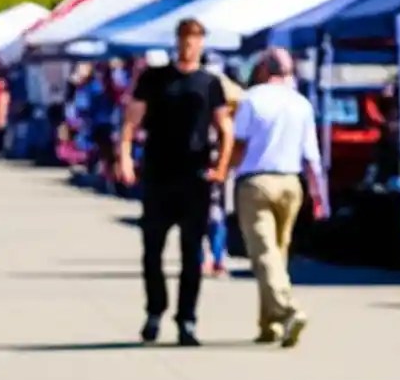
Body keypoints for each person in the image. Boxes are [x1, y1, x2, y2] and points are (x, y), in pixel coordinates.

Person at [116, 18, 233, 346]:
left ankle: (187, 319)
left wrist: (221, 167)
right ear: (176, 42)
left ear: (202, 44)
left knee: (191, 253)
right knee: (152, 249)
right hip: (158, 173)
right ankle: (155, 310)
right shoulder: (154, 78)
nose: (188, 45)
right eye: (184, 39)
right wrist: (125, 156)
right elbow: (131, 120)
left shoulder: (210, 83)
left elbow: (225, 128)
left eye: (194, 40)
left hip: (194, 176)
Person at [210, 47, 326, 347]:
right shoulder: (301, 104)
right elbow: (312, 155)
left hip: (255, 182)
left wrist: (225, 171)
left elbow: (238, 144)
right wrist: (319, 195)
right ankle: (269, 324)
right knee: (277, 255)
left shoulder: (252, 99)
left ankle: (288, 310)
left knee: (263, 255)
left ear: (262, 69)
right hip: (291, 182)